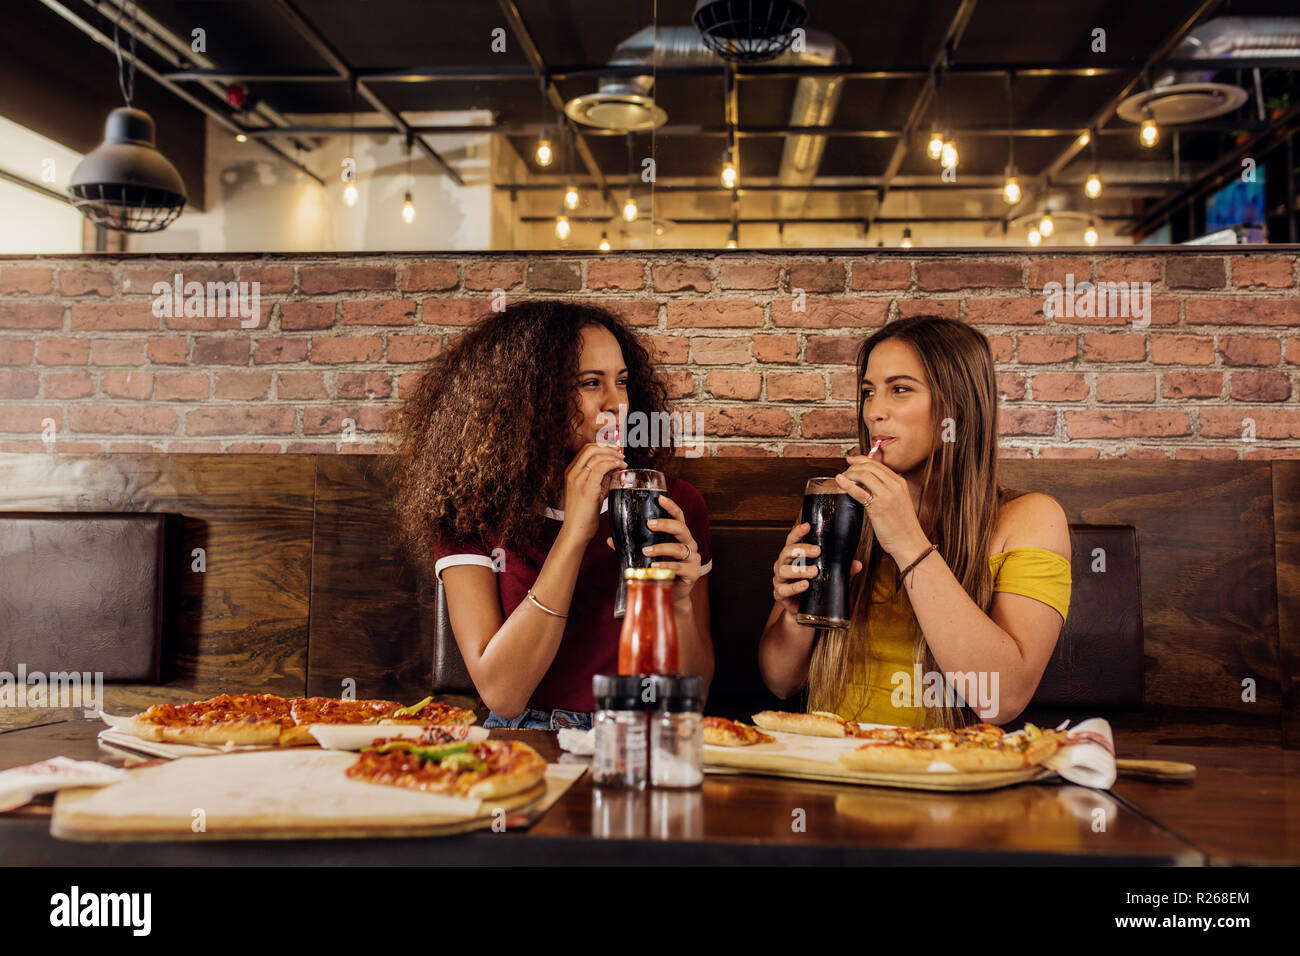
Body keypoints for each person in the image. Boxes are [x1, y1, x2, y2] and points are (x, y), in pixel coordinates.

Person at [390, 300, 713, 731]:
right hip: (526, 734)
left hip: (640, 733)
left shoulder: (672, 503)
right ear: (529, 398)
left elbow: (695, 693)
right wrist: (576, 532)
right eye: (590, 383)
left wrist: (679, 607)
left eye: (621, 381)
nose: (617, 404)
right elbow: (503, 693)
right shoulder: (469, 511)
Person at [758, 315, 1071, 729]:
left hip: (946, 771)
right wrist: (794, 612)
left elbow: (1002, 698)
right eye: (868, 393)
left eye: (900, 390)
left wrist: (906, 539)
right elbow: (780, 683)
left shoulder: (1031, 518)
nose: (874, 412)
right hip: (831, 761)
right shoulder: (834, 507)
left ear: (956, 408)